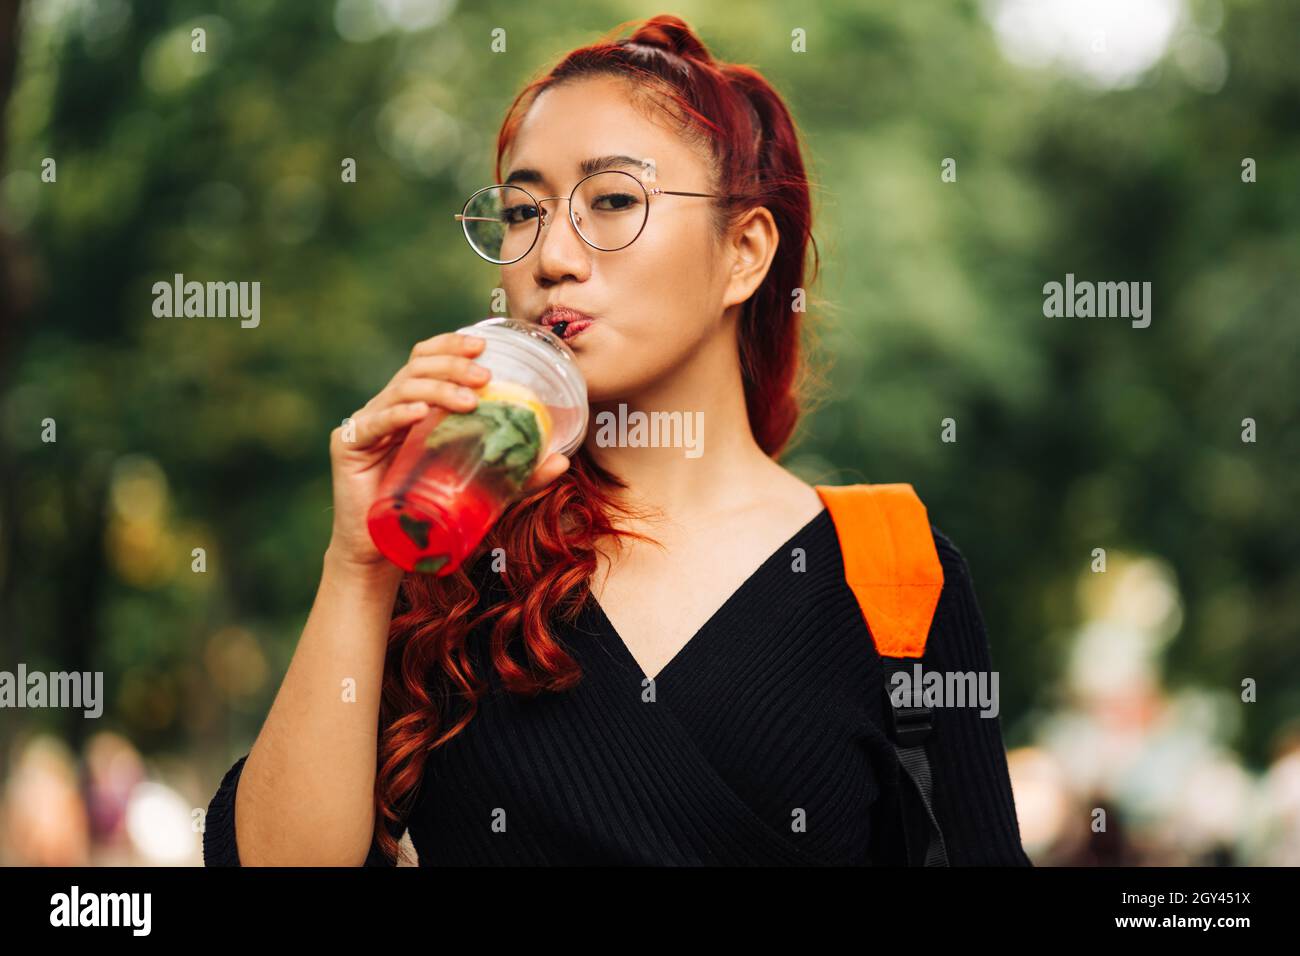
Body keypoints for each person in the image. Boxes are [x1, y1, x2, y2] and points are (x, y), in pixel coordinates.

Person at [203, 13, 1032, 867]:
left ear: (744, 253)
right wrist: (361, 565)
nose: (550, 255)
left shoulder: (892, 571)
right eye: (522, 212)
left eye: (612, 201)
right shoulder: (454, 553)